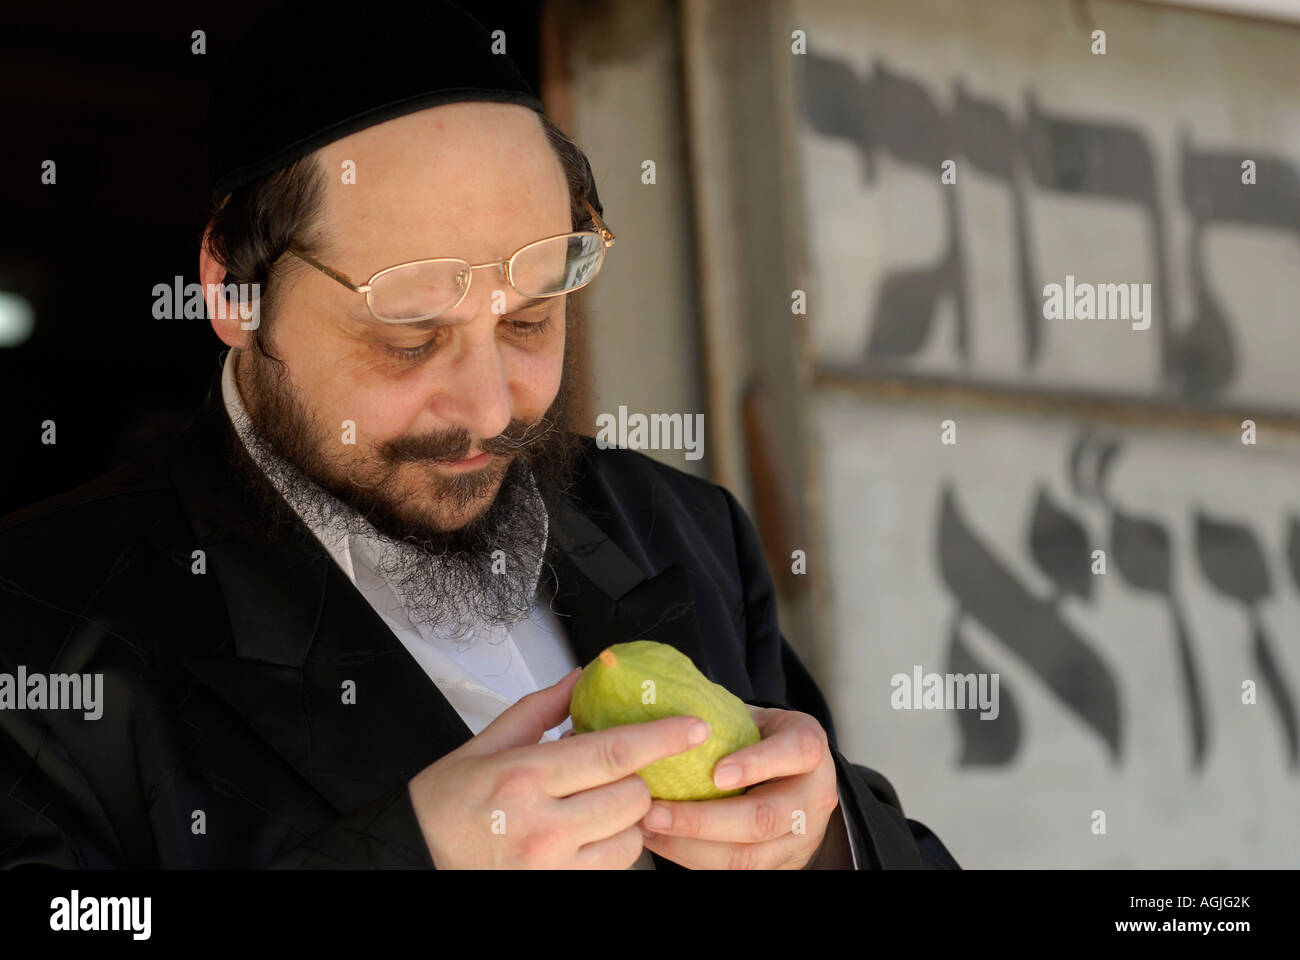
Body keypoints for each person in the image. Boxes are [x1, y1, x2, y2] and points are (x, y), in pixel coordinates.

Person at [0, 0, 957, 870]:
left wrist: (830, 844)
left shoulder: (684, 533)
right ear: (232, 290)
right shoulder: (41, 625)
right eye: (409, 337)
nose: (493, 411)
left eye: (531, 320)